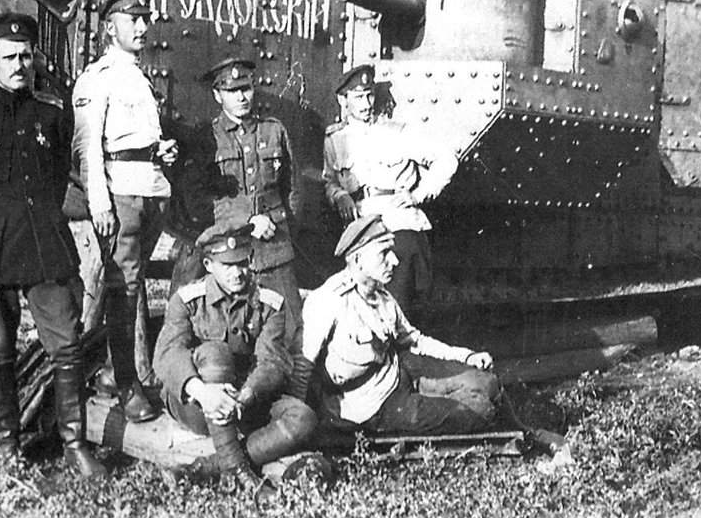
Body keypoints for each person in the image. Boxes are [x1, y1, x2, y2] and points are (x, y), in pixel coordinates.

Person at [0, 12, 106, 479]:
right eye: (9, 56)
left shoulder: (51, 113)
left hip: (40, 242)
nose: (19, 64)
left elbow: (54, 182)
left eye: (26, 55)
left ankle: (75, 445)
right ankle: (7, 444)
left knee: (67, 344)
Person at [71, 0, 177, 424]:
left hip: (150, 190)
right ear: (109, 27)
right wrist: (100, 203)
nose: (142, 26)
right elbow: (88, 147)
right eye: (132, 19)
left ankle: (121, 374)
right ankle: (126, 384)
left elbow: (138, 141)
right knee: (124, 290)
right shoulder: (98, 77)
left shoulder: (140, 76)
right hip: (121, 196)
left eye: (144, 19)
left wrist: (162, 152)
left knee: (130, 289)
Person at [296, 215, 500, 436]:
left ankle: (444, 397)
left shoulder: (381, 294)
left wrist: (466, 356)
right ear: (357, 260)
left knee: (486, 382)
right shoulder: (330, 300)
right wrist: (296, 420)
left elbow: (414, 340)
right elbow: (302, 366)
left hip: (398, 371)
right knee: (480, 410)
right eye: (384, 253)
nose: (394, 260)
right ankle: (447, 403)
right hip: (370, 404)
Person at [154, 224, 317, 495]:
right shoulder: (188, 300)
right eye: (226, 265)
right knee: (216, 353)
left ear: (251, 260)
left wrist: (247, 395)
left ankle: (207, 468)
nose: (237, 272)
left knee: (303, 418)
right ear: (207, 264)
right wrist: (203, 392)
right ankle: (240, 471)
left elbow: (272, 362)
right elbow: (168, 354)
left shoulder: (270, 303)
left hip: (242, 401)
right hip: (195, 405)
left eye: (242, 262)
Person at [175, 58, 302, 340]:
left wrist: (280, 228)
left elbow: (292, 190)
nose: (242, 97)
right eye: (232, 91)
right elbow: (198, 199)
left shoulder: (274, 130)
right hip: (226, 248)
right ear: (217, 95)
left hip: (273, 246)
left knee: (294, 330)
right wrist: (247, 220)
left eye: (246, 88)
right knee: (215, 332)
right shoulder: (207, 137)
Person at [322, 64, 457, 313]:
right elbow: (329, 179)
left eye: (369, 94)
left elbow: (447, 160)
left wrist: (417, 195)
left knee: (397, 305)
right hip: (361, 229)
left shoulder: (398, 133)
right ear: (343, 100)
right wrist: (340, 195)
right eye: (358, 97)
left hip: (399, 226)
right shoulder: (335, 139)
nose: (366, 103)